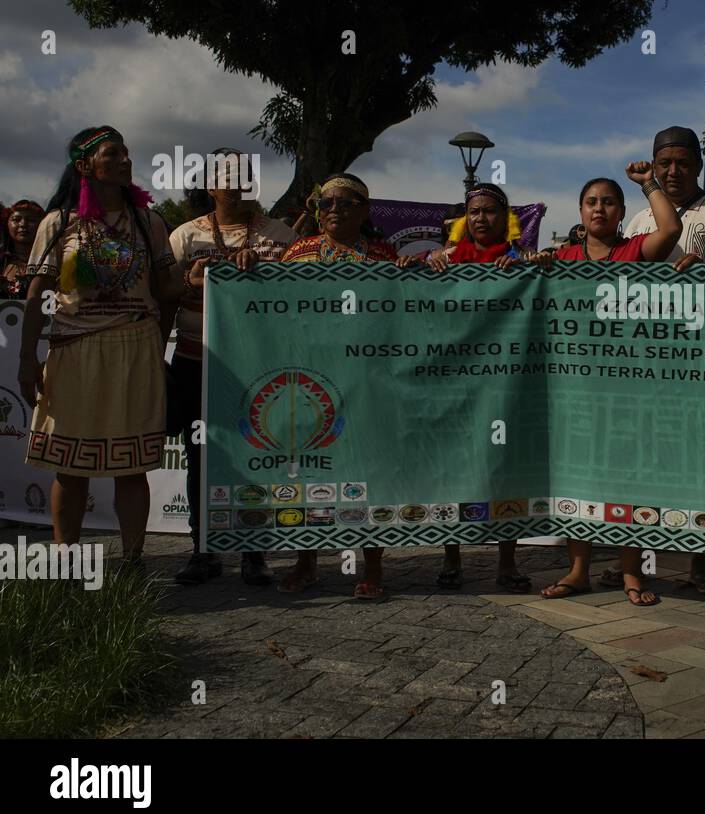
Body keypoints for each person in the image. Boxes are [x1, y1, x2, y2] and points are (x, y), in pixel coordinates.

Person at [16, 126, 178, 569]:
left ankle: (133, 560)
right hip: (75, 350)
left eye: (127, 152)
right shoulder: (60, 222)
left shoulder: (149, 222)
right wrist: (27, 358)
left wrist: (202, 279)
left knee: (133, 466)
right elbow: (37, 295)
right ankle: (66, 560)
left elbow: (168, 292)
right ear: (85, 166)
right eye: (114, 153)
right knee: (71, 466)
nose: (126, 159)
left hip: (135, 350)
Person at [603, 125, 705, 596]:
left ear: (698, 164)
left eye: (682, 162)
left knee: (699, 457)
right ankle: (639, 561)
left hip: (701, 354)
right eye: (663, 162)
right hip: (646, 354)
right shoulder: (639, 222)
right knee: (645, 457)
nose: (672, 170)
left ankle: (701, 562)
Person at [532, 172, 683, 606]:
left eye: (609, 202)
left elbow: (671, 230)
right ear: (580, 211)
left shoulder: (635, 251)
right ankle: (578, 570)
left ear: (621, 213)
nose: (599, 208)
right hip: (575, 388)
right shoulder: (559, 258)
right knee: (580, 479)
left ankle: (632, 573)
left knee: (626, 479)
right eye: (591, 202)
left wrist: (649, 184)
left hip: (630, 389)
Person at [164, 149, 298, 586]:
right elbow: (163, 296)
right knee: (201, 457)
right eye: (227, 176)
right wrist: (189, 280)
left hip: (259, 368)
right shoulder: (185, 236)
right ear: (209, 185)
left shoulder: (280, 236)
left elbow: (298, 303)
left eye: (245, 176)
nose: (237, 184)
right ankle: (203, 550)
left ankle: (254, 553)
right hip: (195, 362)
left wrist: (264, 276)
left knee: (256, 459)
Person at [399, 181, 533, 592]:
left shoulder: (519, 261)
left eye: (490, 211)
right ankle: (451, 558)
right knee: (452, 469)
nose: (481, 219)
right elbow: (406, 288)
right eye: (473, 212)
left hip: (503, 384)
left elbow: (548, 278)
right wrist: (416, 264)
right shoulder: (445, 259)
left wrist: (530, 269)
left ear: (505, 218)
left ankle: (507, 564)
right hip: (453, 383)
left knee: (503, 468)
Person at [276, 173, 398, 599]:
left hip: (368, 381)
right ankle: (306, 563)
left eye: (345, 203)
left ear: (364, 210)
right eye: (325, 203)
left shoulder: (384, 255)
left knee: (368, 474)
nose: (333, 210)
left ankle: (374, 567)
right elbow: (272, 308)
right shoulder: (298, 254)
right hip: (312, 382)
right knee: (311, 474)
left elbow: (401, 317)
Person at [2, 200, 42, 298]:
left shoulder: (51, 260)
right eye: (16, 219)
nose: (23, 224)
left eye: (31, 220)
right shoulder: (2, 261)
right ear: (6, 224)